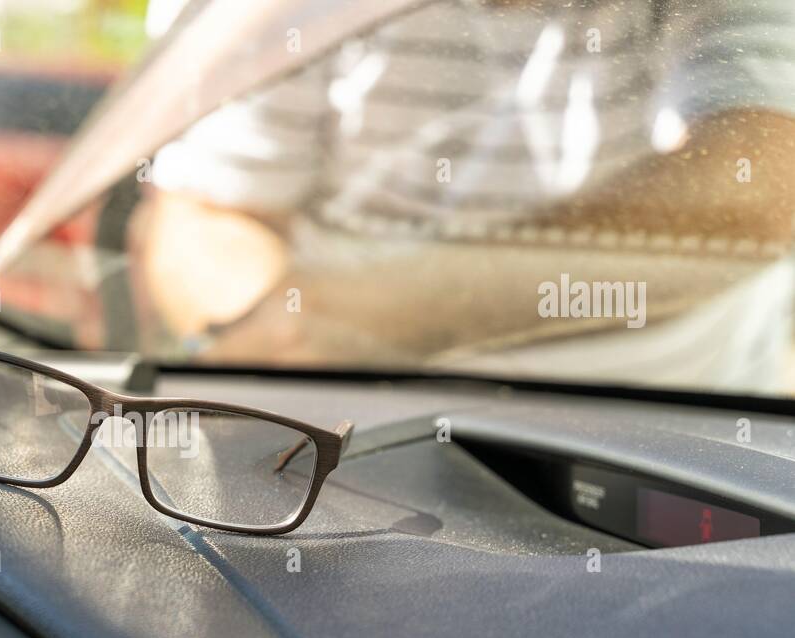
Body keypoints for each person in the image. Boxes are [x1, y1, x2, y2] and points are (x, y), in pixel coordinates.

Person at [138, 0, 795, 389]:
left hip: (675, 437)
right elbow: (205, 219)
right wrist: (284, 347)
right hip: (352, 424)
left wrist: (389, 312)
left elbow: (765, 187)